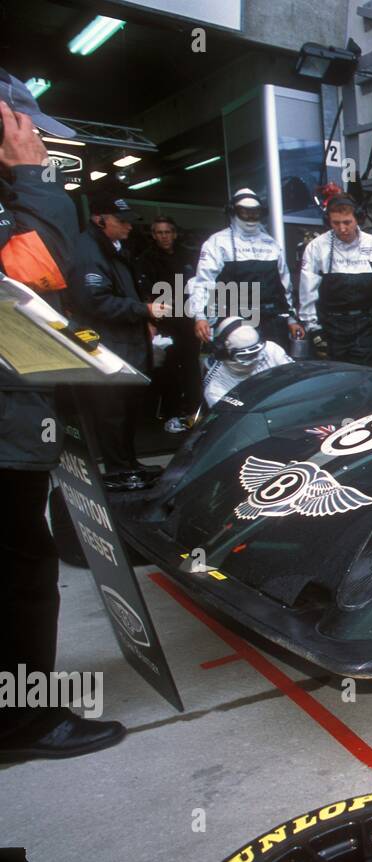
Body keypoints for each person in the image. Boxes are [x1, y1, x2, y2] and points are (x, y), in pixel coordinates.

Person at [0, 78, 126, 761]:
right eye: (22, 127)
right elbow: (41, 272)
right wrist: (30, 177)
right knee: (19, 576)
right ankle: (21, 723)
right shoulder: (22, 188)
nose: (33, 139)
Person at [71, 194, 168, 490]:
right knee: (111, 412)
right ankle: (116, 471)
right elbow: (94, 301)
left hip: (127, 343)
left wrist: (145, 319)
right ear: (100, 220)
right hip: (107, 345)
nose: (128, 227)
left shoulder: (114, 248)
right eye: (121, 221)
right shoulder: (88, 251)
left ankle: (128, 464)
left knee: (126, 410)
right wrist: (144, 310)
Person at [187, 187, 301, 352]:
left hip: (271, 322)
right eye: (245, 212)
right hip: (234, 322)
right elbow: (203, 282)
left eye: (255, 213)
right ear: (233, 212)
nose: (250, 217)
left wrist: (291, 320)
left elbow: (284, 286)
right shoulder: (217, 243)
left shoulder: (271, 244)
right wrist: (200, 316)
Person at [298, 194, 372, 366]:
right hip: (332, 327)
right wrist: (313, 328)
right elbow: (307, 291)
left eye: (347, 222)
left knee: (366, 375)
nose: (342, 228)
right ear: (329, 222)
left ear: (357, 219)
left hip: (367, 325)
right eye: (336, 223)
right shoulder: (317, 247)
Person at [134, 216, 199, 433]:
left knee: (191, 368)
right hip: (164, 322)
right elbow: (145, 295)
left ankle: (194, 413)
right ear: (153, 235)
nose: (164, 236)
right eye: (159, 232)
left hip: (188, 319)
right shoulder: (145, 260)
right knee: (169, 370)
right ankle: (171, 415)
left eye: (168, 232)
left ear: (175, 233)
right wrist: (151, 322)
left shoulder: (187, 255)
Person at [202, 317, 293, 408]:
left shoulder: (271, 350)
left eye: (255, 353)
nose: (253, 359)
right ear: (223, 353)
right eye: (244, 356)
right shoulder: (215, 389)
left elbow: (294, 378)